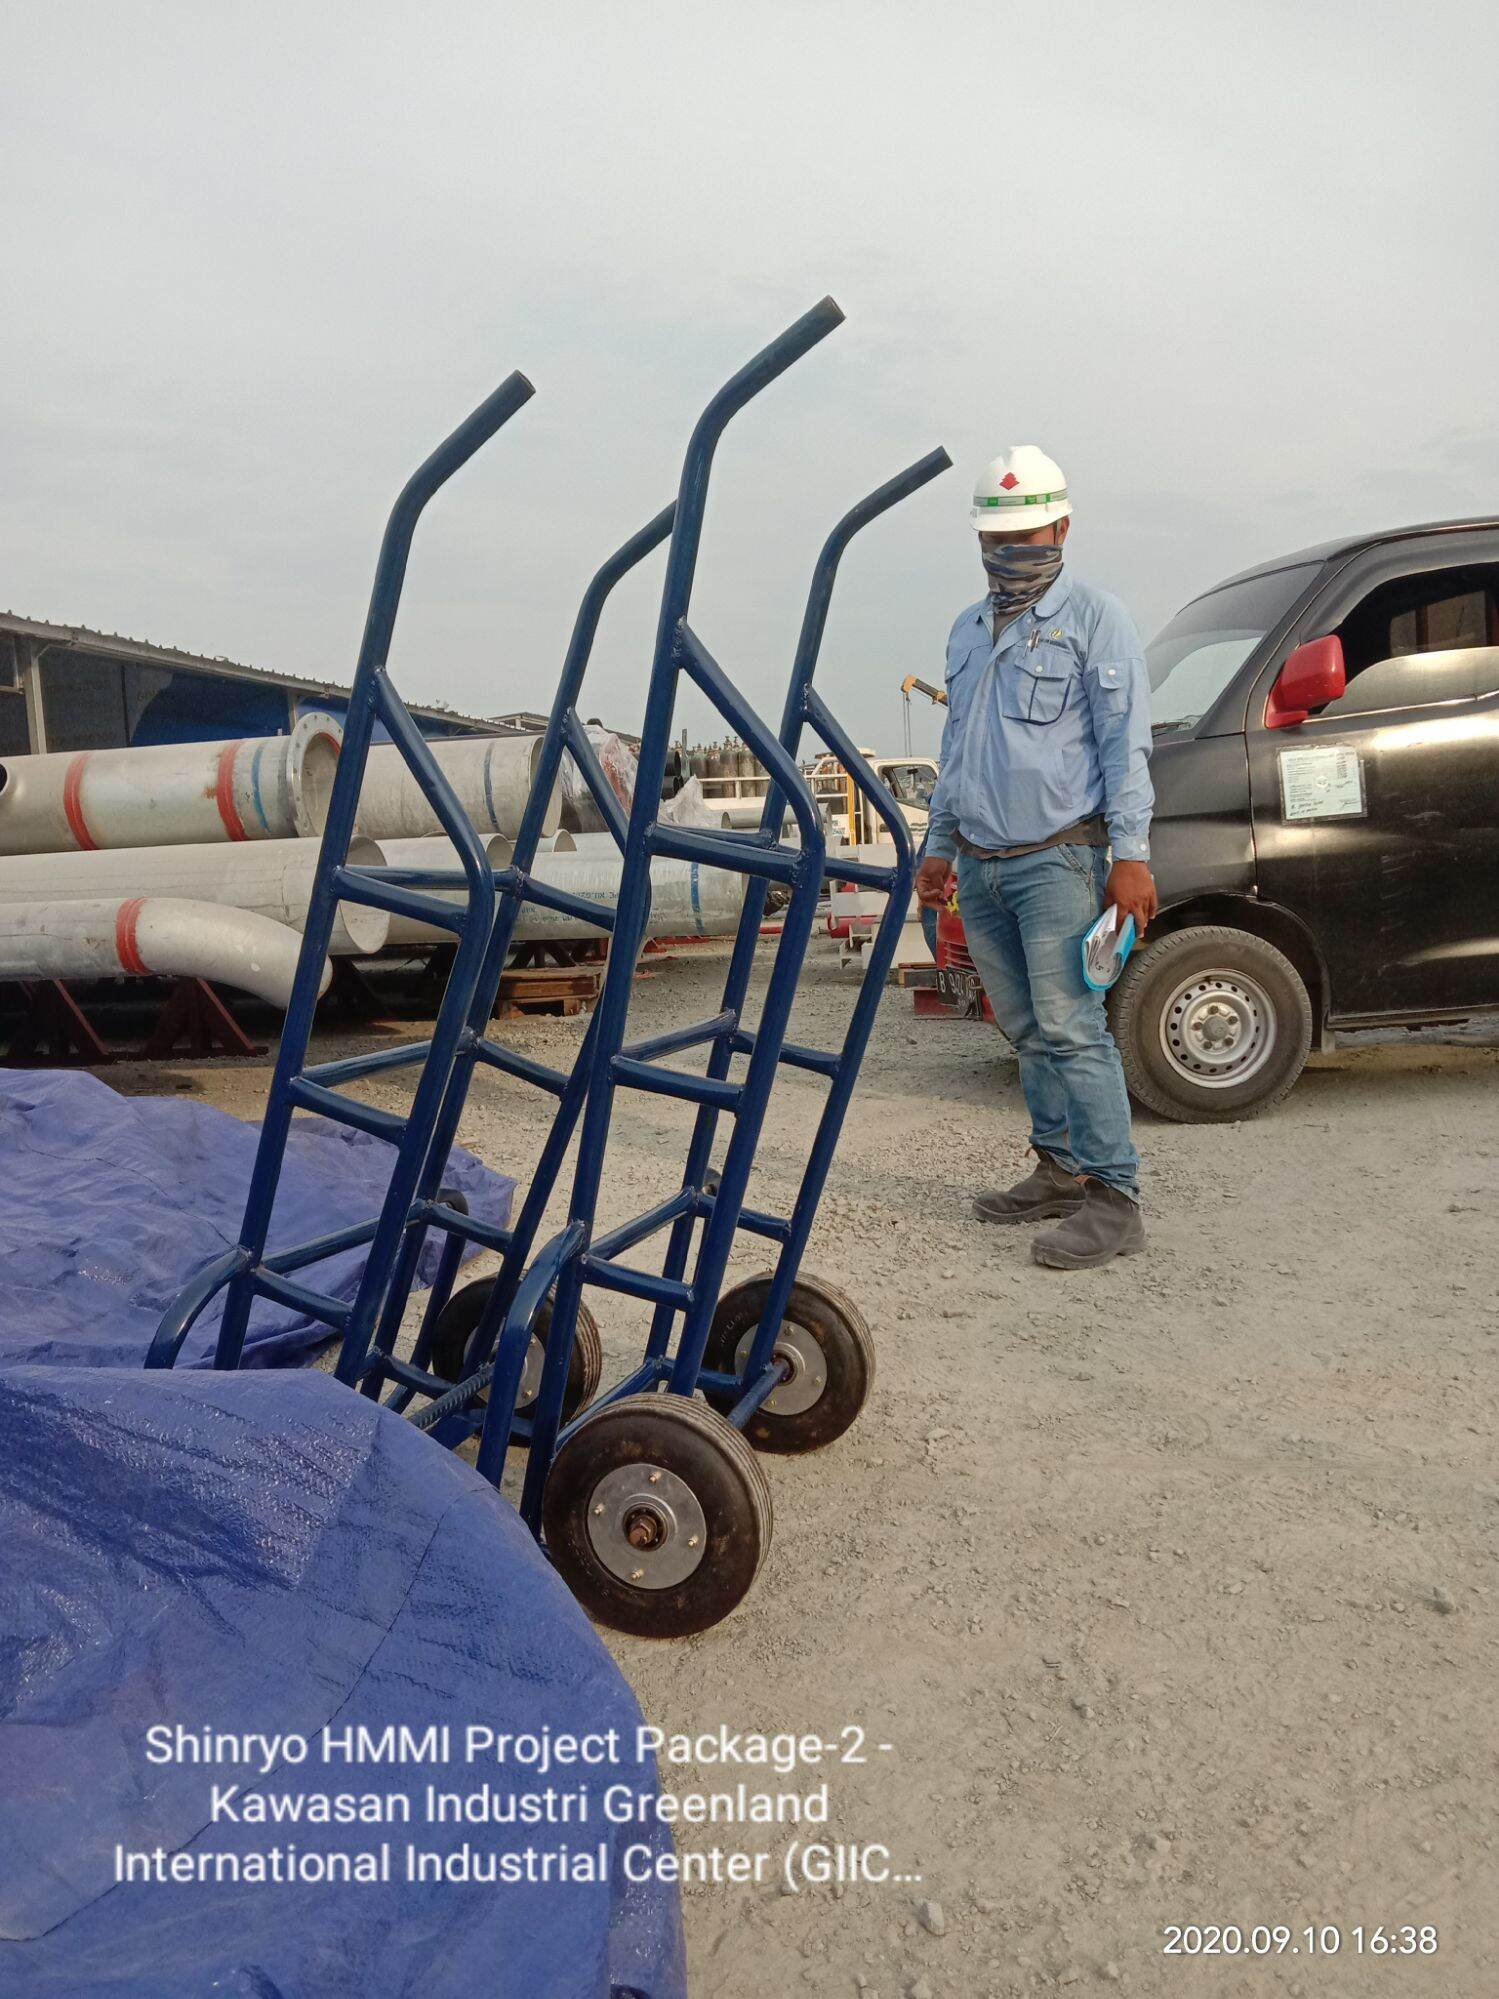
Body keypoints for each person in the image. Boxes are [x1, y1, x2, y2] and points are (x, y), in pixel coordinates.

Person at [916, 445, 1155, 1269]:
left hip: (1056, 859)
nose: (1010, 547)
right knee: (1023, 1026)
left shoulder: (1096, 620)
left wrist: (1131, 855)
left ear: (1060, 525)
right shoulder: (965, 629)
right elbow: (958, 748)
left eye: (1025, 530)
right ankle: (1056, 1167)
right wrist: (939, 846)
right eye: (996, 533)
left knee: (1068, 1024)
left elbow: (1125, 749)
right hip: (979, 865)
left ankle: (1114, 1197)